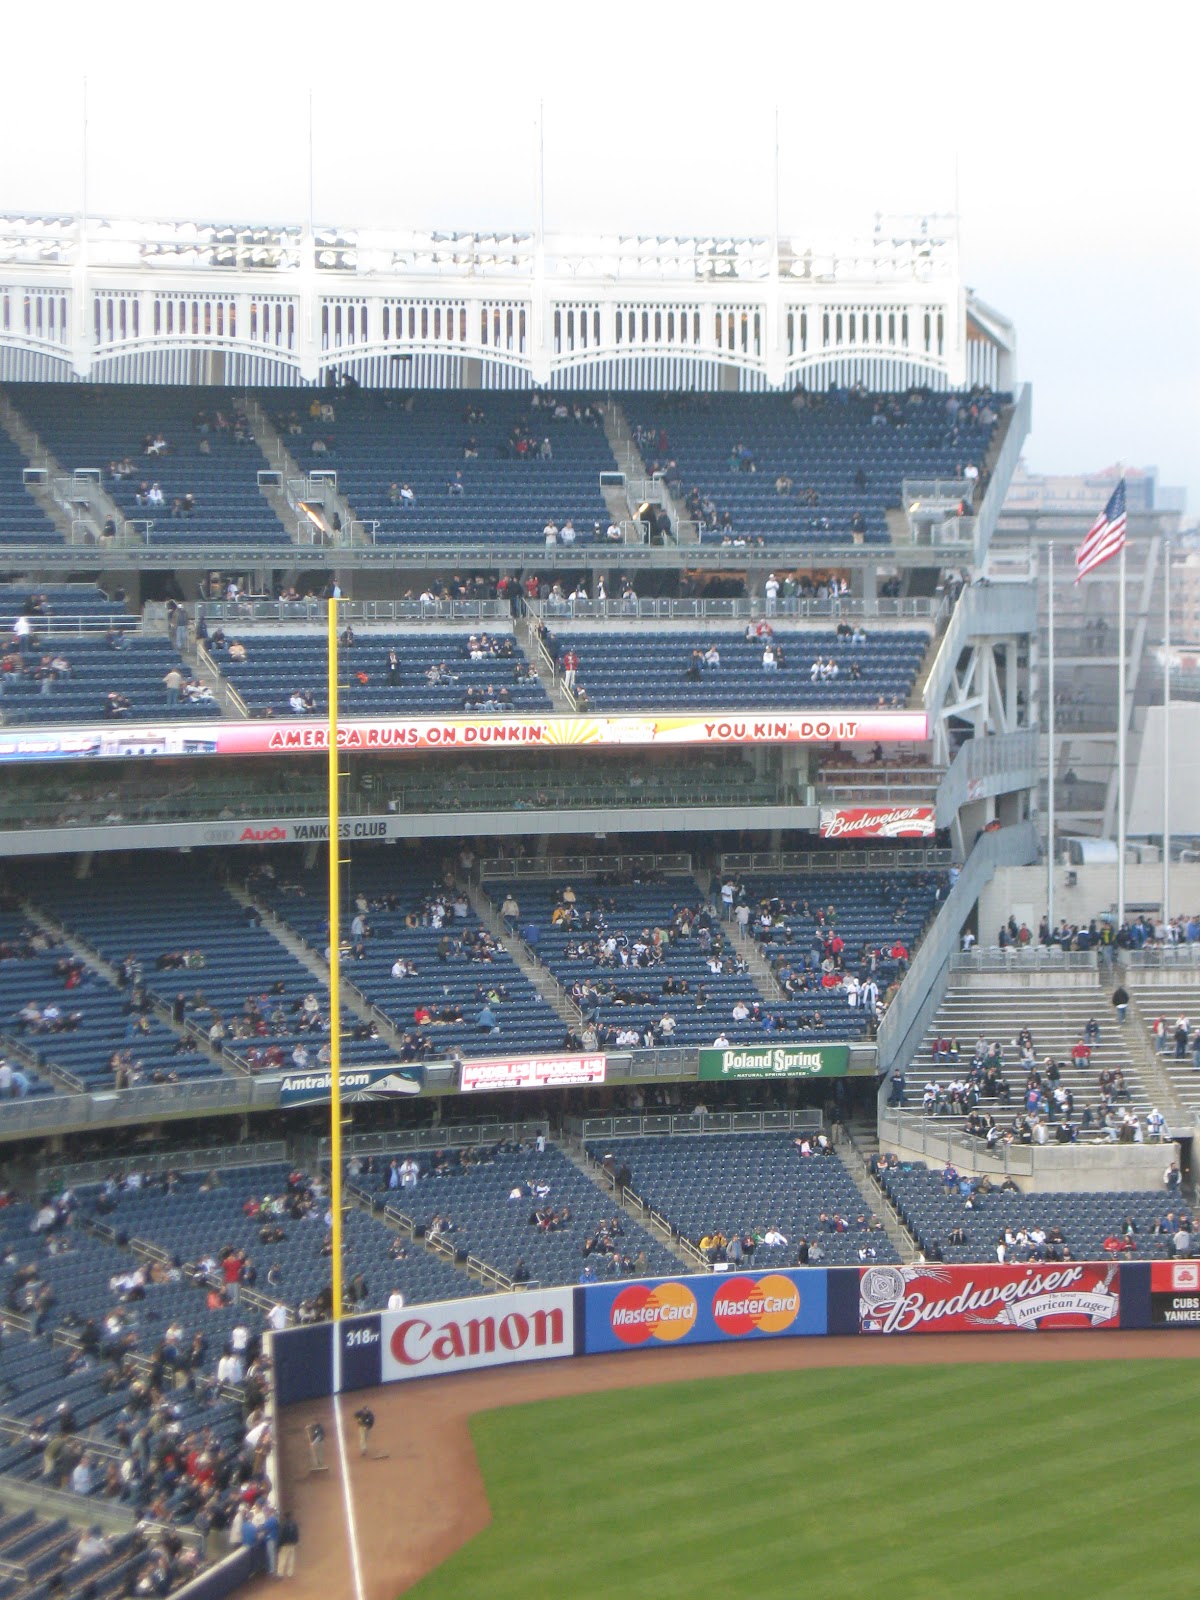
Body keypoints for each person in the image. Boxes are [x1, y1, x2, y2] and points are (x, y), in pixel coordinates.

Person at [278, 1511, 299, 1579]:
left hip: (285, 1544)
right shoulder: (294, 1524)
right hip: (292, 1543)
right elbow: (297, 1534)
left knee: (282, 1558)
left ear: (285, 1517)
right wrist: (296, 1542)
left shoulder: (284, 1525)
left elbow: (282, 1536)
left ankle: (280, 1574)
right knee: (291, 1558)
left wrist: (279, 1544)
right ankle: (290, 1573)